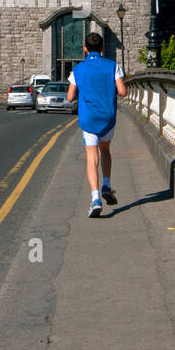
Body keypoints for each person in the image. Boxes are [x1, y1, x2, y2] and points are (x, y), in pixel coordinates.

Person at [67, 31, 127, 218]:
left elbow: (69, 97)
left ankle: (95, 199)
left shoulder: (77, 69)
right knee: (106, 151)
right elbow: (123, 91)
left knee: (91, 156)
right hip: (108, 117)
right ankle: (107, 184)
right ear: (102, 48)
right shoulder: (112, 66)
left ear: (85, 49)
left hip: (88, 118)